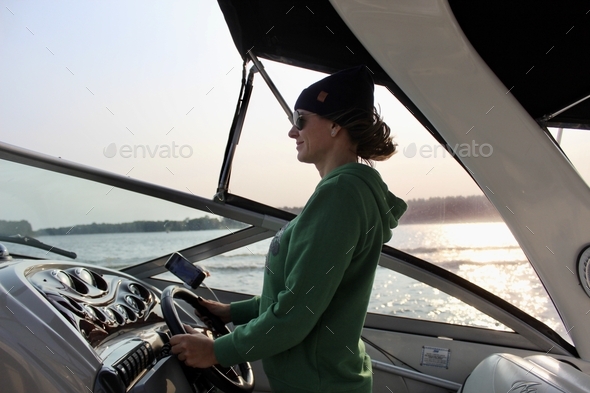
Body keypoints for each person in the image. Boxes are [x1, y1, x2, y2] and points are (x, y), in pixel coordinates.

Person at [170, 65, 407, 393]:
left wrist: (217, 351)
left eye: (300, 120)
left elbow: (298, 311)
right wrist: (229, 312)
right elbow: (299, 293)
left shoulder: (340, 195)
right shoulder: (349, 191)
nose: (292, 132)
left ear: (336, 125)